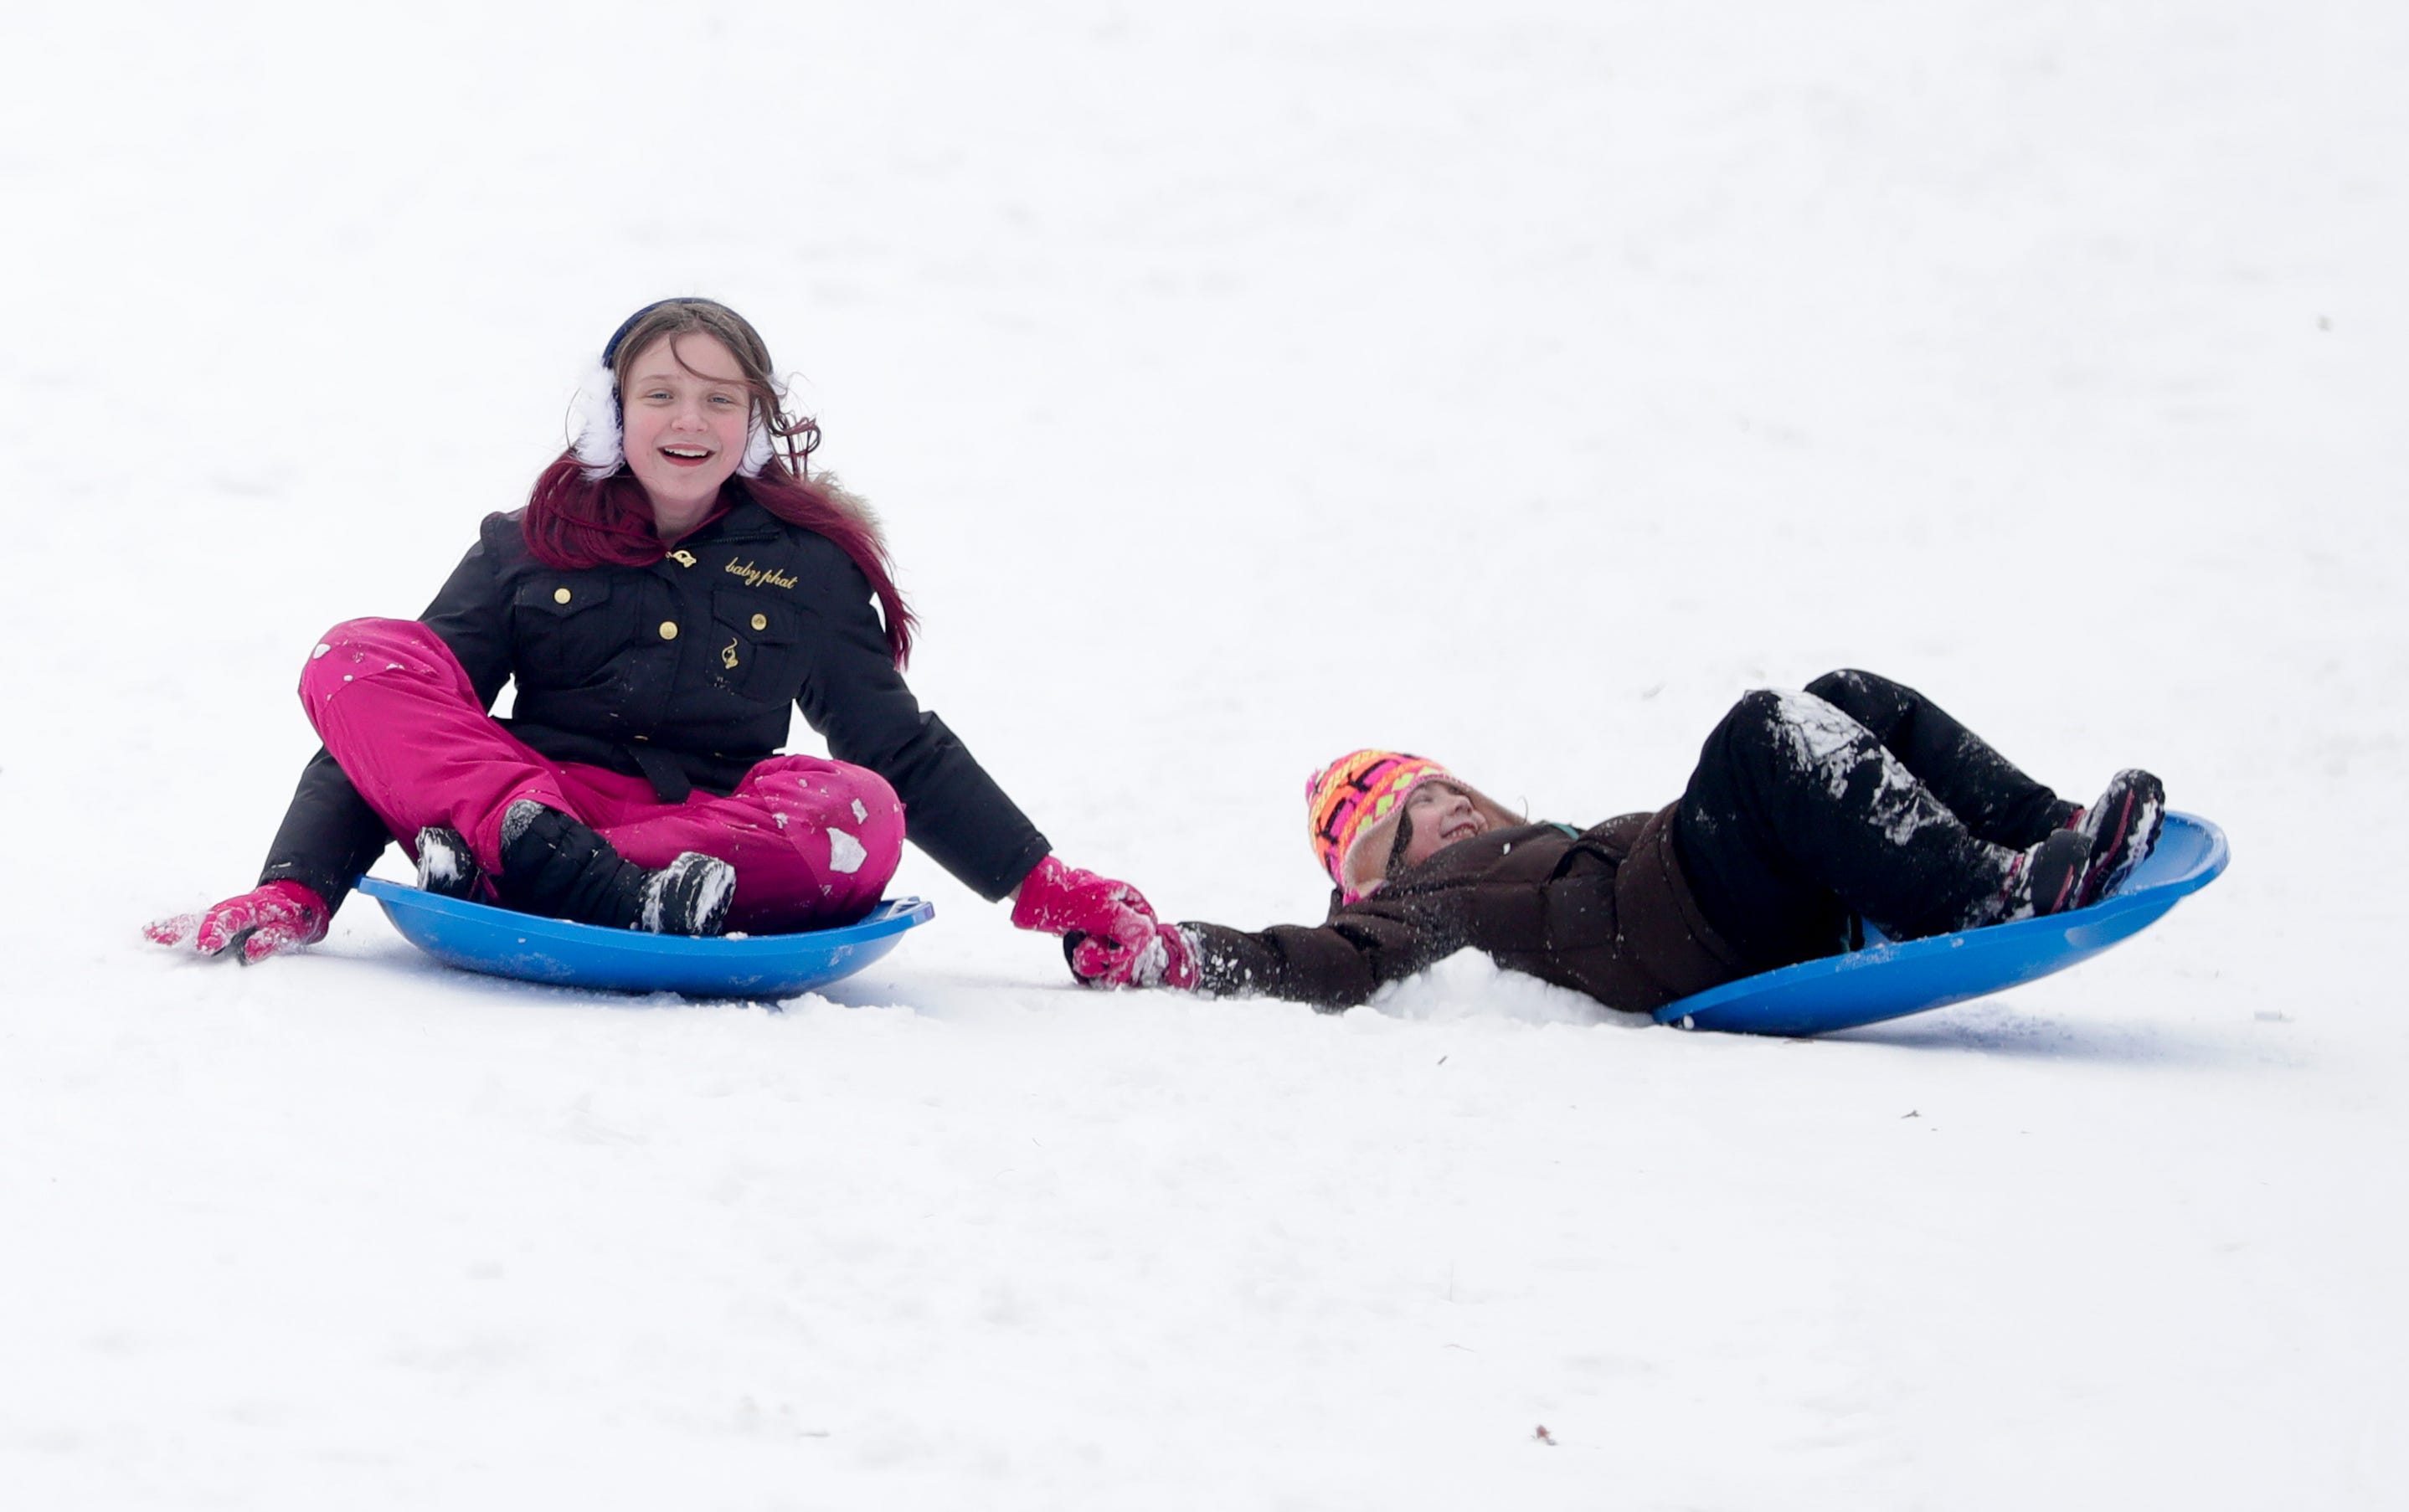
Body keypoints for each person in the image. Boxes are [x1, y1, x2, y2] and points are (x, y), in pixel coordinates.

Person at [149, 298, 1154, 962]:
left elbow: (898, 749)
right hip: (523, 797)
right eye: (662, 393)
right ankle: (534, 853)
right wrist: (294, 891)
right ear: (613, 414)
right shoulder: (528, 543)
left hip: (697, 848)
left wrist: (1046, 885)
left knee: (859, 811)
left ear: (753, 425)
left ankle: (562, 879)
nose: (690, 419)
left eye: (719, 399)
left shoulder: (806, 567)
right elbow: (392, 725)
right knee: (359, 656)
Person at [1064, 670, 2166, 1016]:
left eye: (1445, 793)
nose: (1440, 815)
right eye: (1402, 823)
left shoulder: (1548, 838)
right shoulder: (1420, 909)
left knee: (1844, 697)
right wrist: (1176, 949)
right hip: (1675, 920)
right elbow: (1321, 963)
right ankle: (1984, 897)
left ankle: (2043, 836)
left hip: (1710, 885)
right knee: (1763, 728)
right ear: (1370, 873)